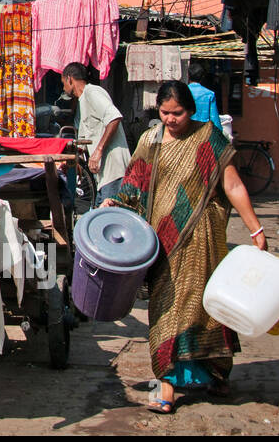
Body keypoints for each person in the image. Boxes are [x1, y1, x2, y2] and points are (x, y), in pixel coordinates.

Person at [101, 80, 267, 415]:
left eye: (177, 113)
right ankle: (167, 385)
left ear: (190, 110)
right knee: (168, 310)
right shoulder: (151, 140)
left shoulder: (209, 139)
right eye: (165, 113)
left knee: (209, 308)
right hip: (162, 244)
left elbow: (232, 184)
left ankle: (218, 373)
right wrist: (113, 203)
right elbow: (134, 184)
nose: (171, 119)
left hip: (204, 240)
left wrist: (256, 228)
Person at [60, 62, 129, 205]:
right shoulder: (82, 101)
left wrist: (98, 151)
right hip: (103, 177)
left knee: (108, 220)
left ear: (69, 79)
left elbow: (114, 117)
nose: (63, 88)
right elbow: (86, 140)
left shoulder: (92, 92)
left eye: (63, 83)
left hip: (113, 172)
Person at [186, 61, 222, 126]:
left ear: (188, 75)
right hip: (203, 132)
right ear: (202, 77)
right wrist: (219, 133)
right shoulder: (209, 94)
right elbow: (214, 119)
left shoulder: (182, 92)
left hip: (185, 131)